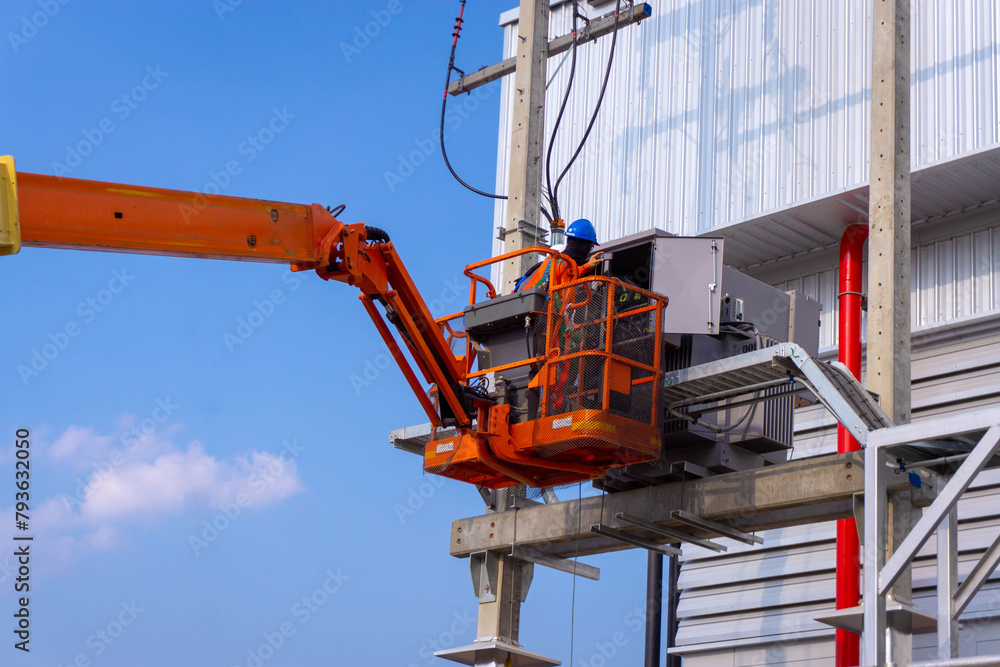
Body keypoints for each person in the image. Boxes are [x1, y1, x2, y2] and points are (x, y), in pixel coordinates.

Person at [512, 218, 602, 292]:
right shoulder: (565, 263)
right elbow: (571, 287)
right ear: (583, 246)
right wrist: (593, 282)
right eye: (590, 248)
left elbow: (570, 274)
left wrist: (587, 266)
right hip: (540, 308)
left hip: (527, 304)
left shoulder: (553, 260)